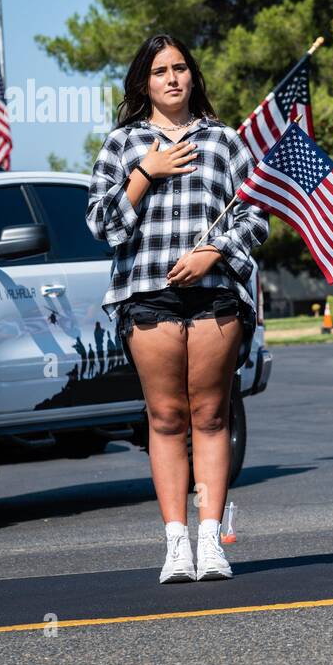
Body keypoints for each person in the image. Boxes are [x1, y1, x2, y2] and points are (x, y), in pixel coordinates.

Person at [86, 33, 269, 583]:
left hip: (216, 294)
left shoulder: (225, 142)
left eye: (181, 68)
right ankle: (175, 544)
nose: (172, 78)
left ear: (193, 77)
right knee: (165, 419)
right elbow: (102, 225)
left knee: (211, 416)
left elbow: (256, 217)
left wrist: (214, 251)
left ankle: (211, 540)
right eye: (160, 70)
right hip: (147, 294)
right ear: (144, 82)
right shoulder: (121, 145)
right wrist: (148, 171)